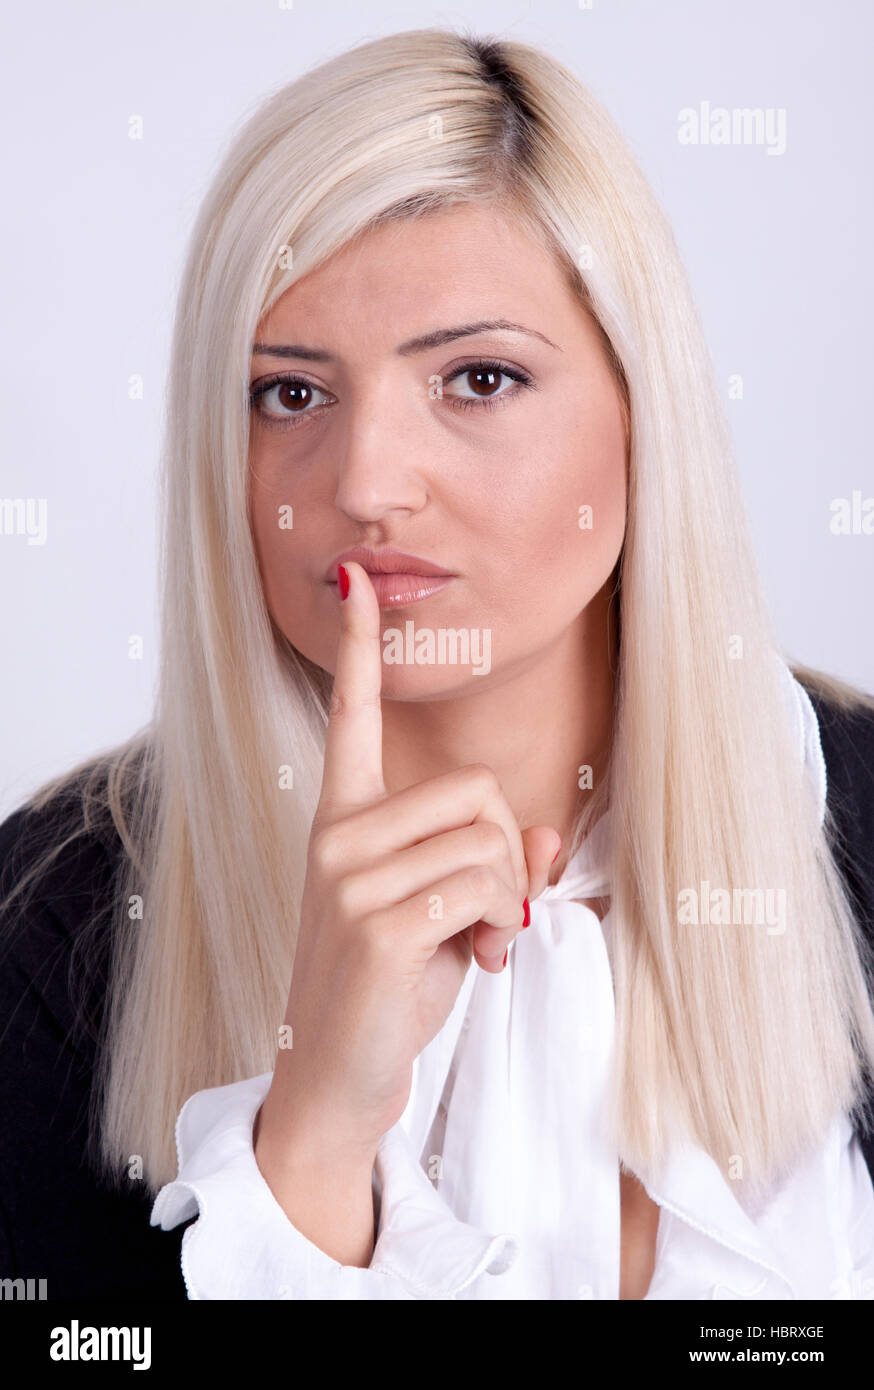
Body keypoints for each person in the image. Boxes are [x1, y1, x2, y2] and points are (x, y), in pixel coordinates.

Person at [2, 27, 874, 1301]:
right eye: (289, 395)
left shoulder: (850, 820)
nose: (365, 483)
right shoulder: (45, 927)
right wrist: (305, 1148)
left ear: (644, 410)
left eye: (478, 377)